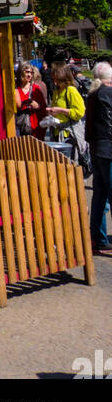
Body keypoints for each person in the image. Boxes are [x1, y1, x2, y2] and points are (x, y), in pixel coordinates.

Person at [85, 61, 112, 257]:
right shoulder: (107, 93)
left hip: (97, 149)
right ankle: (99, 238)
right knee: (105, 195)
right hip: (108, 150)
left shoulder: (94, 94)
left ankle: (98, 238)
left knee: (100, 195)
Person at [15, 62, 47, 134]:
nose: (29, 75)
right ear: (20, 72)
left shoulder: (35, 88)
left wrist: (37, 106)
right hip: (19, 125)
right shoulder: (15, 88)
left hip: (35, 126)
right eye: (27, 72)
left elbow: (43, 107)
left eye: (31, 73)